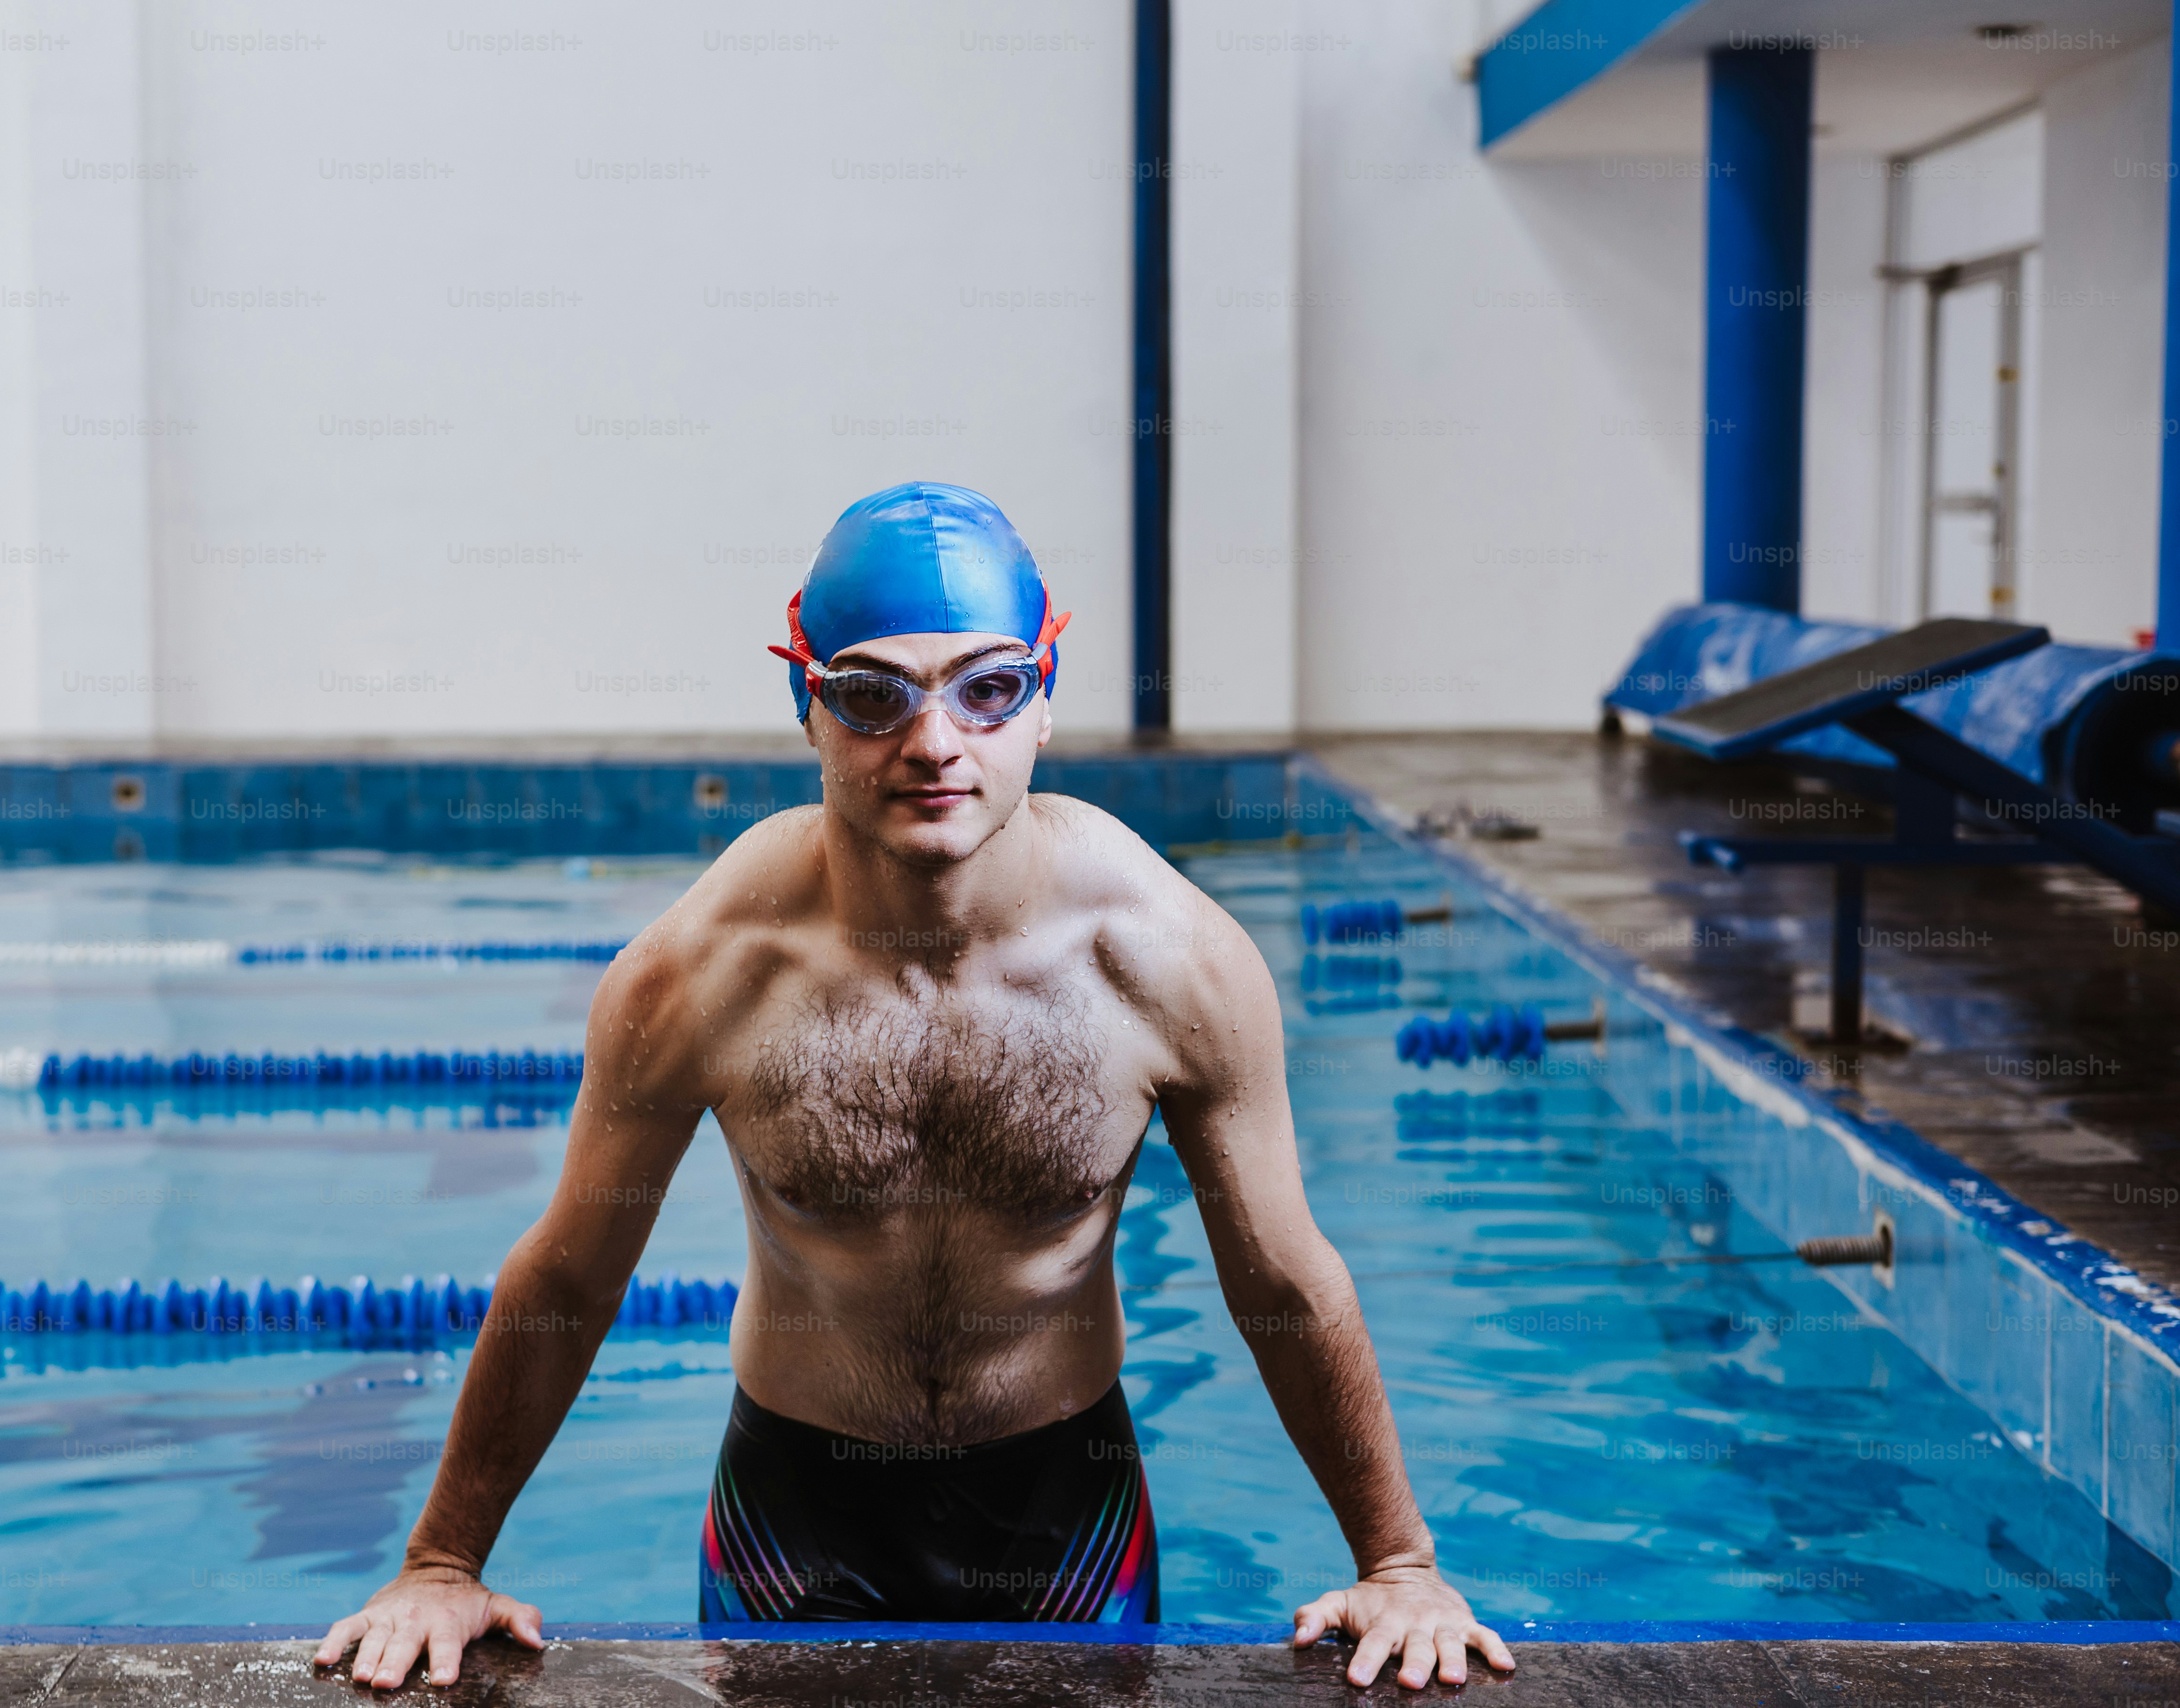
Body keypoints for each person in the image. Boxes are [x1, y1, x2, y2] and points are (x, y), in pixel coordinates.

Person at [315, 483, 1515, 1692]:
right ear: (809, 706)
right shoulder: (703, 970)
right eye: (873, 694)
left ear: (1043, 700)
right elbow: (569, 1273)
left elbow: (1279, 1270)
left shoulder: (1166, 957)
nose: (934, 743)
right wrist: (441, 1559)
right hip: (794, 1519)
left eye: (986, 689)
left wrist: (1398, 1563)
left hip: (1065, 1516)